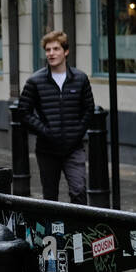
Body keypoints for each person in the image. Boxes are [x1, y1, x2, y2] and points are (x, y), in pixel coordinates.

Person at [18, 30, 95, 205]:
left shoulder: (80, 79)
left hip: (74, 148)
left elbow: (89, 110)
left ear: (65, 51)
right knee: (50, 197)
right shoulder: (35, 81)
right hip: (47, 150)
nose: (51, 54)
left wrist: (76, 132)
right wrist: (46, 131)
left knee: (78, 191)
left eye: (56, 49)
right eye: (48, 50)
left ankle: (78, 230)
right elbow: (23, 112)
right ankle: (53, 232)